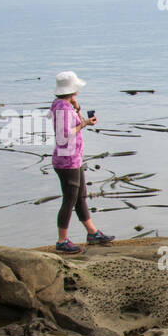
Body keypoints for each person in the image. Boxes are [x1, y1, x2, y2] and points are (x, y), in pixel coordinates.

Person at [49, 70, 113, 253]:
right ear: (73, 89)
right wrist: (84, 124)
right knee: (69, 199)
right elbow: (64, 134)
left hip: (74, 157)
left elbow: (72, 124)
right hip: (66, 159)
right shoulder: (61, 107)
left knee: (81, 196)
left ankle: (92, 233)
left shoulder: (64, 104)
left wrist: (78, 110)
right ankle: (62, 240)